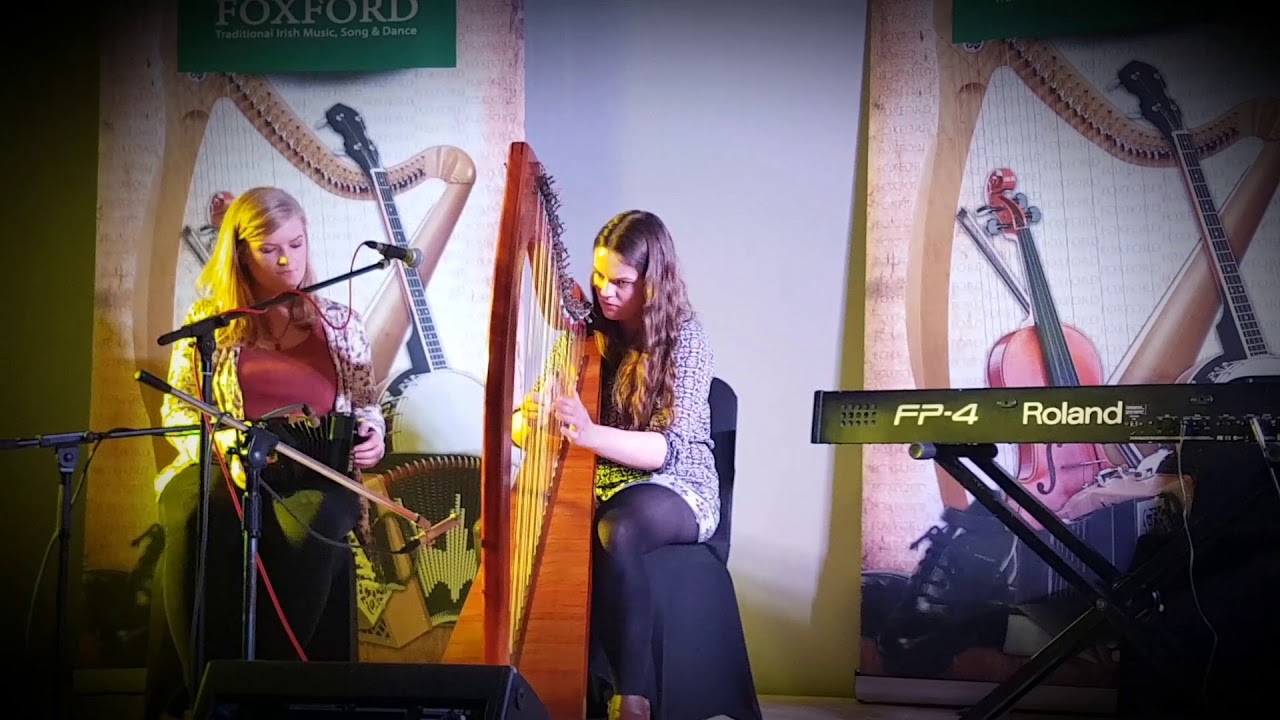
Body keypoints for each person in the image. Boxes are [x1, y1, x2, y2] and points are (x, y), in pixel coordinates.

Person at [143, 186, 386, 718]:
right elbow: (180, 415)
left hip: (316, 473)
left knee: (321, 516)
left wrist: (373, 437)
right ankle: (202, 691)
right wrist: (227, 447)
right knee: (192, 508)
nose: (288, 261)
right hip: (228, 468)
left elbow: (367, 403)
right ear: (241, 253)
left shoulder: (341, 322)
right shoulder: (211, 321)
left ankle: (264, 694)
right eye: (271, 249)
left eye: (297, 245)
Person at [513, 210, 718, 720]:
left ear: (653, 282)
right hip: (608, 478)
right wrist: (530, 418)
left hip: (677, 485)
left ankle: (634, 695)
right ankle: (576, 688)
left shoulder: (686, 339)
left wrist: (588, 433)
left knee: (618, 529)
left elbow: (668, 448)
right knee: (545, 522)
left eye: (622, 282)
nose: (605, 290)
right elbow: (522, 426)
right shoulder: (584, 337)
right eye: (599, 275)